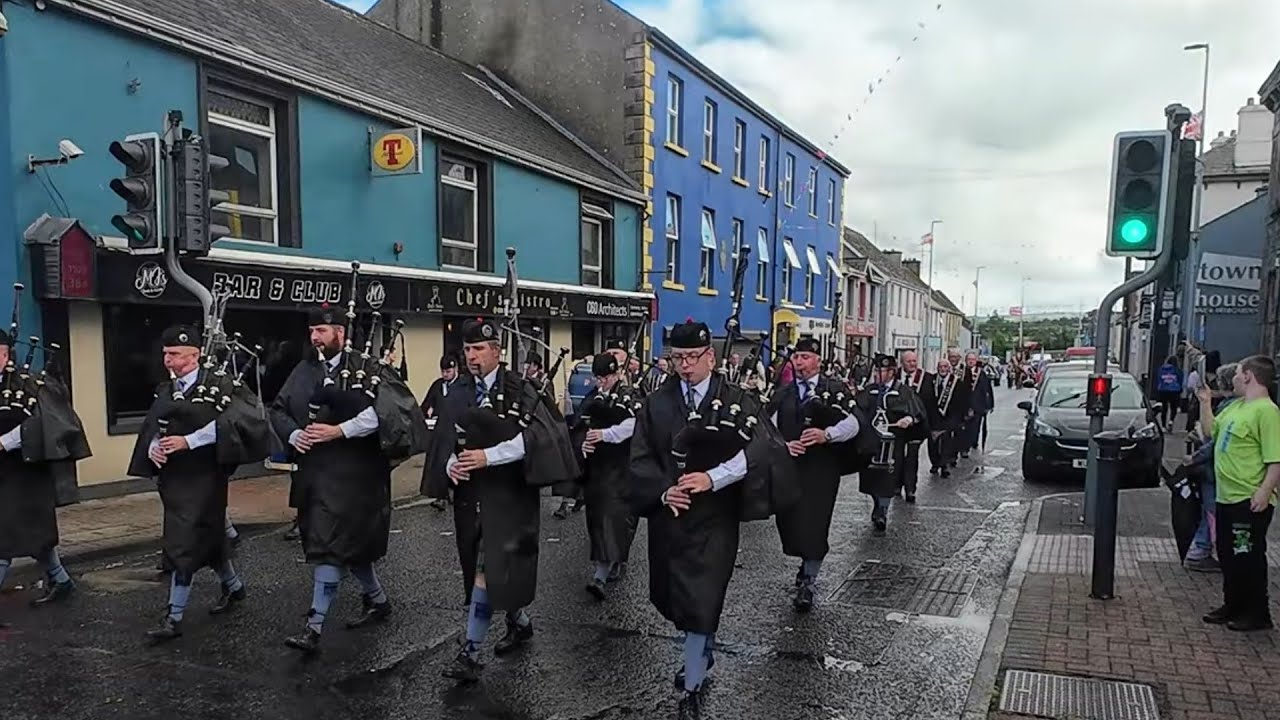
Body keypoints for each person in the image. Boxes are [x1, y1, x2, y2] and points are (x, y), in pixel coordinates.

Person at [629, 319, 787, 717]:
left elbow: (761, 450)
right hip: (671, 516)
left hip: (716, 516)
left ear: (710, 357)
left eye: (692, 357)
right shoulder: (656, 402)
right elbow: (641, 457)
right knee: (672, 596)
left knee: (703, 592)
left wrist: (712, 479)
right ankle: (702, 643)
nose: (684, 366)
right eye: (676, 357)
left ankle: (694, 678)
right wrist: (666, 491)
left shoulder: (735, 399)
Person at [271, 307, 427, 653]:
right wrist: (295, 436)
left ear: (341, 332)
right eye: (312, 331)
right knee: (347, 548)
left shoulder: (368, 368)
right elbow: (278, 410)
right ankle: (378, 601)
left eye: (322, 331)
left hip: (357, 475)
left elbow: (391, 412)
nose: (315, 338)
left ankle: (313, 628)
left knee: (333, 546)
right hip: (315, 474)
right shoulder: (304, 369)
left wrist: (338, 431)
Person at [434, 318, 579, 682]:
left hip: (511, 497)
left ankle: (470, 653)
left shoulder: (522, 388)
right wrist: (451, 464)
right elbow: (447, 438)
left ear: (497, 351)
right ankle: (519, 621)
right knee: (487, 569)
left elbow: (537, 438)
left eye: (479, 349)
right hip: (472, 497)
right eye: (467, 349)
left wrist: (488, 457)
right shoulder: (457, 391)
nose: (472, 356)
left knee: (489, 569)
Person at [128, 325, 271, 641]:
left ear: (195, 355)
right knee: (208, 535)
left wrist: (189, 441)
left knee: (184, 538)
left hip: (206, 475)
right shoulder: (166, 390)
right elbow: (154, 426)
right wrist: (154, 447)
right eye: (166, 354)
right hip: (174, 478)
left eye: (176, 354)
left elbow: (238, 422)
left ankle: (173, 618)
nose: (169, 360)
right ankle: (234, 587)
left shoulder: (221, 386)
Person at [0, 328, 91, 617]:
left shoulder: (33, 384)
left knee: (5, 538)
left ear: (5, 354)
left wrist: (5, 442)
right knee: (30, 532)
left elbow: (51, 423)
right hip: (3, 473)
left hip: (26, 472)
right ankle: (62, 580)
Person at [766, 338, 861, 612]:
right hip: (790, 468)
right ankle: (805, 562)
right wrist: (783, 444)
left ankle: (809, 580)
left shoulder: (834, 389)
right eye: (797, 357)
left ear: (818, 361)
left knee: (816, 523)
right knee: (791, 521)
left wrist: (826, 434)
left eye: (806, 357)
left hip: (822, 469)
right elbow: (766, 428)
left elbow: (854, 423)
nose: (800, 362)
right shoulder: (783, 393)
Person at [1197, 355, 1280, 632]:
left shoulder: (1266, 412)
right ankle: (1233, 604)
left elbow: (1275, 458)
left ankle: (1257, 612)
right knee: (1228, 553)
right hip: (1226, 496)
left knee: (1247, 554)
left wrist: (1265, 490)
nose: (1232, 378)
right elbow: (1210, 433)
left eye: (1237, 373)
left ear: (1248, 376)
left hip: (1248, 498)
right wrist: (1205, 403)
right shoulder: (1235, 408)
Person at [573, 352, 640, 600]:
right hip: (597, 471)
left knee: (614, 519)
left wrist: (606, 434)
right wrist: (584, 445)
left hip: (622, 468)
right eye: (599, 378)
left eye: (607, 377)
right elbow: (579, 427)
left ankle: (601, 574)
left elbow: (635, 424)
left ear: (616, 373)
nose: (603, 382)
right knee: (597, 520)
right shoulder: (592, 399)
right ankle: (608, 563)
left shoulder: (629, 395)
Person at [853, 354, 927, 533]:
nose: (877, 374)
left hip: (893, 443)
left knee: (888, 478)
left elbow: (917, 412)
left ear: (892, 372)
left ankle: (882, 511)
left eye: (882, 371)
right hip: (870, 442)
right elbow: (857, 410)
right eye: (876, 370)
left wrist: (909, 419)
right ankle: (877, 503)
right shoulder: (869, 390)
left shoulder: (903, 391)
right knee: (871, 477)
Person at [1181, 362, 1238, 572]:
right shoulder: (1231, 407)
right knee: (1212, 512)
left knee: (1210, 512)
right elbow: (1216, 441)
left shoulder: (1226, 406)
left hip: (1211, 469)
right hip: (1215, 469)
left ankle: (1202, 550)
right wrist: (1196, 457)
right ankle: (1201, 551)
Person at [420, 354, 461, 511]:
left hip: (458, 431)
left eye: (448, 371)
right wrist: (428, 409)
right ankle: (441, 496)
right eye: (443, 371)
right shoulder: (438, 385)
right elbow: (427, 403)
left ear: (455, 369)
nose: (445, 375)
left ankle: (461, 495)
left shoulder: (462, 385)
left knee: (459, 463)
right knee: (440, 462)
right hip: (441, 430)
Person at [896, 351, 933, 502]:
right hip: (897, 426)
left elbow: (930, 404)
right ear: (902, 363)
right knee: (897, 457)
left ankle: (910, 488)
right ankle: (896, 485)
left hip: (916, 427)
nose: (912, 364)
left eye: (914, 361)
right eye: (908, 361)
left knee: (912, 457)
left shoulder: (927, 379)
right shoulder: (894, 377)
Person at [926, 358, 969, 478]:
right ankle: (935, 463)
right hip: (934, 417)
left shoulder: (956, 382)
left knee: (946, 442)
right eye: (941, 367)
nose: (943, 369)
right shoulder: (931, 381)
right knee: (933, 442)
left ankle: (944, 465)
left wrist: (960, 418)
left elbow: (961, 401)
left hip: (949, 417)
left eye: (945, 367)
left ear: (949, 369)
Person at [960, 352, 995, 460]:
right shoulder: (961, 373)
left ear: (976, 361)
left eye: (973, 359)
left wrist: (989, 405)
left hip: (978, 405)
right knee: (964, 428)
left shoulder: (981, 373)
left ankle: (973, 442)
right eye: (969, 359)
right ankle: (964, 448)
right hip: (963, 406)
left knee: (975, 428)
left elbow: (987, 389)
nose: (971, 361)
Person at [1156, 354, 1183, 431]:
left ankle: (1163, 426)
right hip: (1174, 390)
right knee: (1173, 407)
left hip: (1163, 390)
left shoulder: (1161, 368)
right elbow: (1180, 379)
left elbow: (1159, 378)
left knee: (1164, 408)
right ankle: (1171, 420)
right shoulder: (1177, 369)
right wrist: (1180, 388)